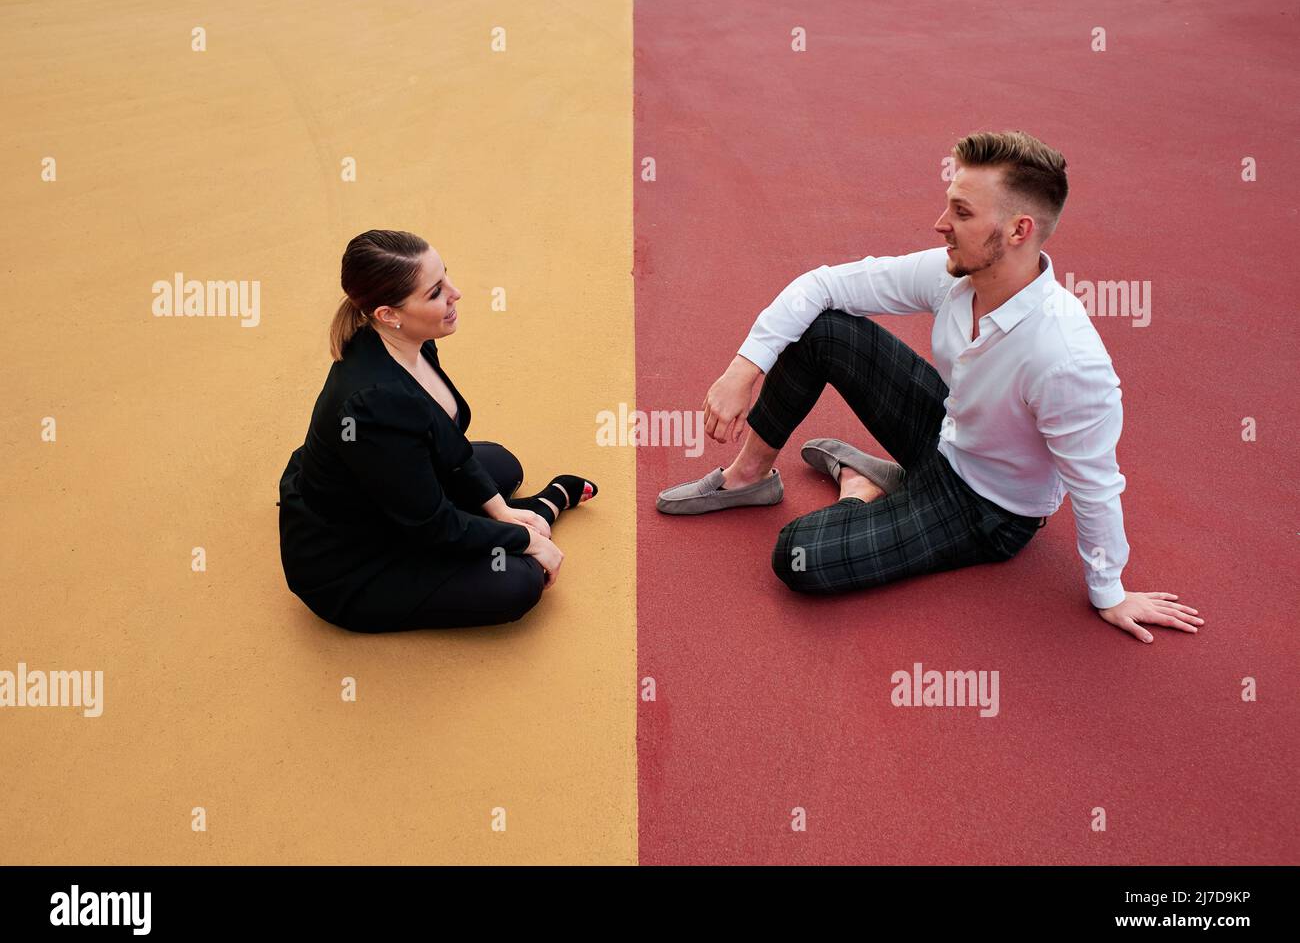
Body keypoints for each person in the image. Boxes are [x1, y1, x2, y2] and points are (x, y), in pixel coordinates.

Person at [657, 130, 1203, 644]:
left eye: (962, 212)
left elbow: (1096, 483)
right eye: (950, 203)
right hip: (948, 432)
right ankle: (750, 478)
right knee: (821, 329)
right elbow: (822, 284)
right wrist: (744, 368)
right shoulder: (954, 274)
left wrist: (1109, 591)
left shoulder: (1066, 360)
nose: (940, 222)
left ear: (1018, 231)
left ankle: (861, 488)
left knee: (796, 556)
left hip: (985, 509)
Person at [278, 229, 596, 632]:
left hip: (388, 488)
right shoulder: (373, 405)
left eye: (446, 276)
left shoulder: (410, 340)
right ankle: (536, 517)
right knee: (519, 581)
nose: (456, 293)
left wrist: (501, 510)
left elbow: (447, 442)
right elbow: (432, 526)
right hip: (354, 559)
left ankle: (519, 514)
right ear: (387, 314)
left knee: (501, 465)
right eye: (435, 293)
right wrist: (526, 541)